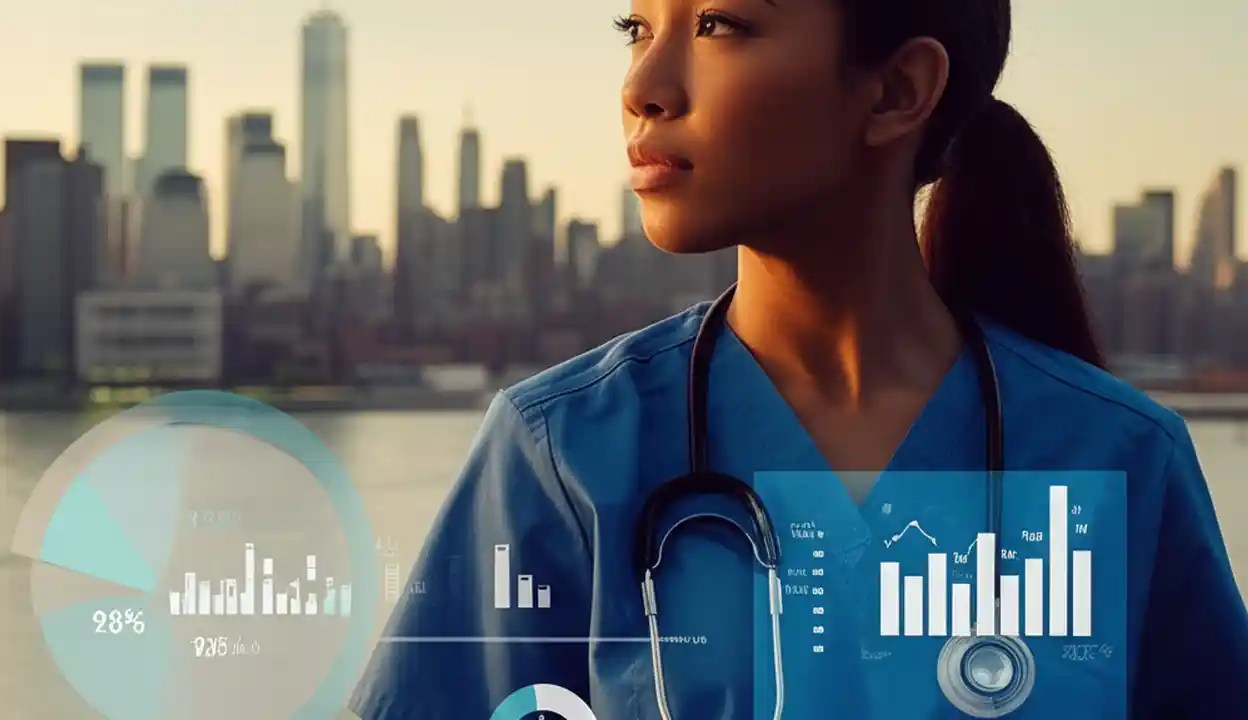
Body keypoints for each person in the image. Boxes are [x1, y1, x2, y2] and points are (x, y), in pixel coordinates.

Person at [350, 0, 1248, 717]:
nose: (646, 86)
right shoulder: (564, 455)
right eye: (637, 29)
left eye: (719, 26)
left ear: (898, 90)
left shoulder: (1119, 459)